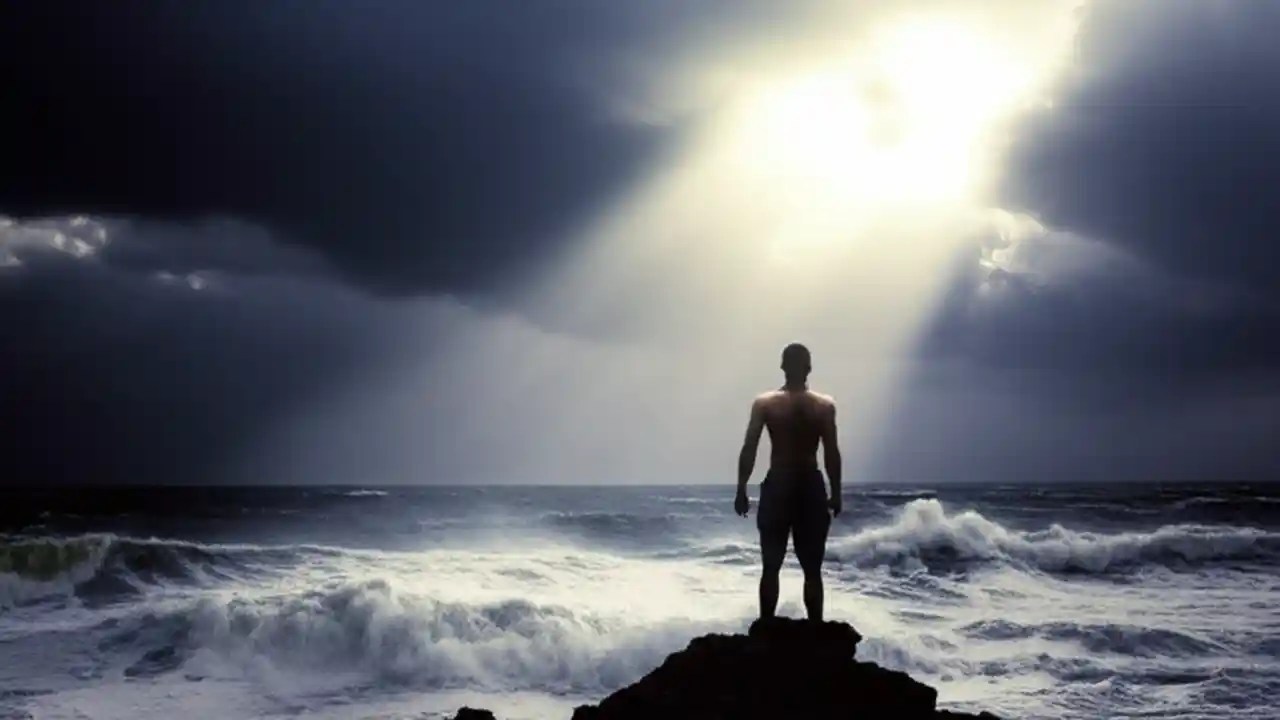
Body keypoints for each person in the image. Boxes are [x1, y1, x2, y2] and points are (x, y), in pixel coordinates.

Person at [735, 342, 842, 621]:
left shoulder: (765, 403)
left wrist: (741, 489)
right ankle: (814, 628)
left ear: (783, 366)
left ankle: (767, 626)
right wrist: (836, 492)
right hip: (809, 486)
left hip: (780, 486)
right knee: (811, 570)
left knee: (771, 566)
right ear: (809, 367)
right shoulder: (823, 405)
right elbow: (831, 452)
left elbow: (750, 447)